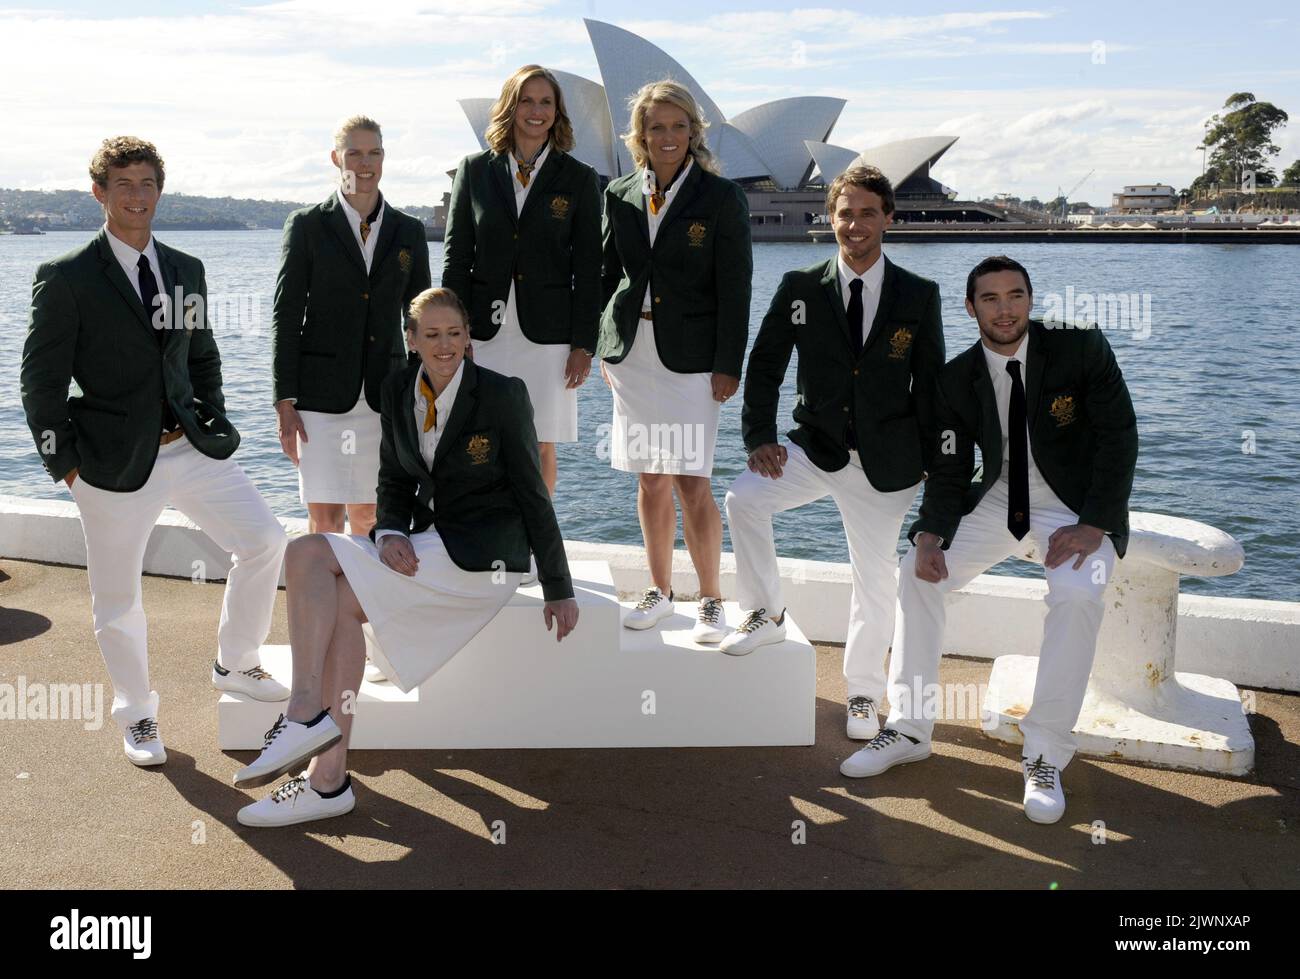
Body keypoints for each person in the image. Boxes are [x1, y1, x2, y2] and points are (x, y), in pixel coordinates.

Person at [234, 288, 579, 827]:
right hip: (426, 541)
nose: (445, 346)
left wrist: (558, 586)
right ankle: (324, 769)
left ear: (468, 338)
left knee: (320, 567)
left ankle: (311, 738)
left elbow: (533, 495)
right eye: (432, 334)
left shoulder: (503, 394)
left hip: (482, 559)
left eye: (455, 334)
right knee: (308, 558)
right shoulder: (396, 389)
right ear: (411, 340)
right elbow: (393, 478)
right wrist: (389, 531)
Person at [20, 136, 289, 767]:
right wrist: (66, 467)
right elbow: (39, 383)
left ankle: (237, 661)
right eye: (123, 185)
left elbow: (202, 353)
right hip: (110, 464)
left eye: (146, 184)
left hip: (189, 445)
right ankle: (137, 713)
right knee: (118, 599)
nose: (137, 196)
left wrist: (211, 413)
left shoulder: (186, 269)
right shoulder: (66, 276)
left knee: (265, 540)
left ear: (159, 191)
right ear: (100, 193)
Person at [841, 256, 1138, 827]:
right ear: (971, 307)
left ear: (1030, 299)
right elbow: (950, 470)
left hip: (1075, 506)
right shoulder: (955, 379)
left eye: (1015, 295)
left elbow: (1118, 436)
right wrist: (930, 535)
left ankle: (1045, 751)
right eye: (991, 298)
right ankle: (909, 727)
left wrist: (1095, 523)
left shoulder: (1080, 347)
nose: (1005, 310)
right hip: (1000, 498)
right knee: (916, 574)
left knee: (1078, 594)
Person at [723, 165, 945, 748]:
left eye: (868, 212)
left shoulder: (918, 295)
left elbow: (932, 386)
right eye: (846, 213)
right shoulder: (800, 287)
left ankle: (864, 692)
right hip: (814, 447)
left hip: (886, 463)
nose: (856, 224)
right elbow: (765, 365)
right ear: (831, 217)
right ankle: (767, 613)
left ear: (888, 218)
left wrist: (933, 460)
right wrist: (759, 437)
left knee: (873, 579)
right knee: (743, 500)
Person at [598, 79, 752, 642]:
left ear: (693, 132)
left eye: (678, 126)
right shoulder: (619, 193)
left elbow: (735, 287)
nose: (667, 136)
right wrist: (605, 343)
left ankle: (711, 598)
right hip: (633, 355)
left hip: (691, 360)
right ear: (640, 134)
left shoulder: (720, 197)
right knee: (650, 478)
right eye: (656, 126)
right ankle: (660, 592)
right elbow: (606, 274)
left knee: (692, 480)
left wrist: (728, 363)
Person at [442, 64, 601, 510]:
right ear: (510, 108)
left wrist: (583, 344)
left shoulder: (579, 177)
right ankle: (486, 534)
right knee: (479, 438)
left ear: (557, 111)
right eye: (526, 100)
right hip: (483, 334)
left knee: (539, 442)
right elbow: (457, 259)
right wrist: (453, 333)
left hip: (549, 337)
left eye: (546, 102)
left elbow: (589, 269)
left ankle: (535, 539)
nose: (536, 111)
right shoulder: (474, 170)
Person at [272, 115, 431, 539]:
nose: (365, 163)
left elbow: (419, 318)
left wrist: (423, 390)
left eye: (374, 153)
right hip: (319, 399)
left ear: (383, 157)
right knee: (325, 521)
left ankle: (362, 588)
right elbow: (286, 316)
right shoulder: (306, 226)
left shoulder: (409, 230)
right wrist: (284, 402)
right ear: (335, 158)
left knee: (371, 517)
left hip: (385, 396)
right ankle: (323, 585)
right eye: (355, 153)